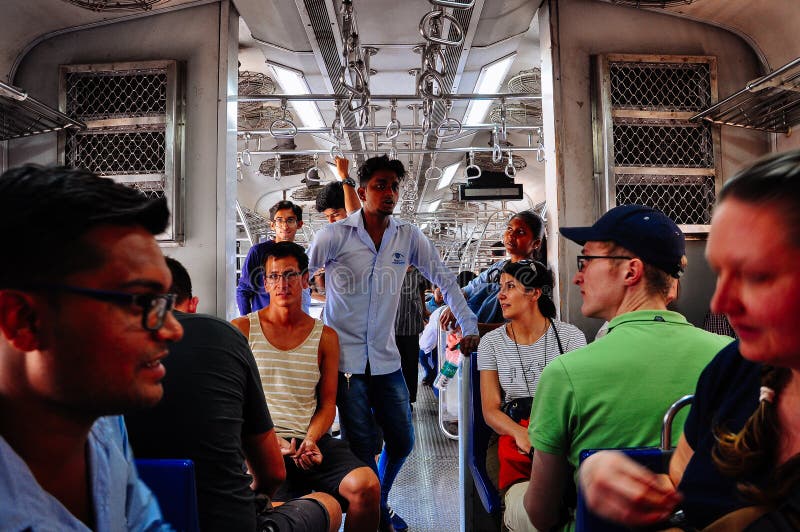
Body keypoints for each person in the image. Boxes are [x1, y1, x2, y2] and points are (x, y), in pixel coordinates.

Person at [579, 150, 800, 530]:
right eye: (720, 272)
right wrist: (605, 472)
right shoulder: (735, 368)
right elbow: (679, 483)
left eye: (757, 275)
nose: (722, 302)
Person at [522, 204, 733, 531]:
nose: (578, 276)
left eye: (587, 260)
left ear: (630, 271)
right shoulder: (732, 360)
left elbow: (542, 514)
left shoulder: (565, 374)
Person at [0, 164, 182, 529]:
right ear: (23, 320)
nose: (174, 330)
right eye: (140, 302)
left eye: (165, 302)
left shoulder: (101, 420)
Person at [307, 154, 480, 532]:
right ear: (363, 190)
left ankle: (378, 502)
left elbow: (444, 279)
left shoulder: (408, 236)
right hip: (347, 364)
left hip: (386, 361)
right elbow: (301, 277)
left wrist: (468, 322)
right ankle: (372, 516)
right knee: (362, 446)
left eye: (395, 186)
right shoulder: (334, 236)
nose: (390, 192)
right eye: (381, 185)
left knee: (402, 440)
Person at [126, 255, 341, 532]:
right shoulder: (226, 335)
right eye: (275, 276)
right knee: (328, 504)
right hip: (227, 520)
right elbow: (272, 474)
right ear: (191, 305)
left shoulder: (99, 362)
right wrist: (259, 499)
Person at [231, 242, 380, 532]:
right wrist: (266, 441)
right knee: (280, 515)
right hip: (261, 445)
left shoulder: (324, 337)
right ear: (265, 282)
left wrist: (311, 439)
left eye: (289, 275)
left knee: (366, 486)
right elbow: (232, 403)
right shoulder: (242, 330)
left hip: (308, 442)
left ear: (304, 279)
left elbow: (327, 404)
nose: (281, 284)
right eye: (273, 276)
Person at [478, 261, 586, 532]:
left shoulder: (570, 338)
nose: (500, 295)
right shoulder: (491, 343)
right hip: (511, 434)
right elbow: (491, 410)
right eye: (500, 287)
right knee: (525, 509)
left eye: (510, 287)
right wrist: (519, 434)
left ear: (535, 293)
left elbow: (579, 402)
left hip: (561, 434)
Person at [441, 210, 546, 333]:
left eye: (520, 232)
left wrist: (477, 329)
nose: (511, 235)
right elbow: (469, 289)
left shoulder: (534, 275)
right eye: (510, 229)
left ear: (536, 243)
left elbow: (524, 325)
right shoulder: (498, 267)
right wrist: (454, 306)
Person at [237, 199, 311, 315]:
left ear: (299, 224)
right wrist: (247, 322)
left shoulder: (300, 254)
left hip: (293, 322)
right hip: (263, 324)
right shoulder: (258, 252)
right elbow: (243, 291)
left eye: (290, 220)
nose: (285, 226)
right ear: (272, 225)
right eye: (279, 220)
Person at [420, 271, 477, 386]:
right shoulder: (445, 313)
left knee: (443, 382)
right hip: (434, 352)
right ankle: (436, 380)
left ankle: (440, 383)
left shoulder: (443, 312)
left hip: (445, 351)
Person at [394, 267, 429, 405]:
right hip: (393, 324)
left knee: (411, 364)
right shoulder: (391, 268)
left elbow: (421, 292)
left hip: (412, 323)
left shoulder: (419, 270)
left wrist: (424, 310)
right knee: (394, 364)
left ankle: (409, 399)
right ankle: (396, 399)